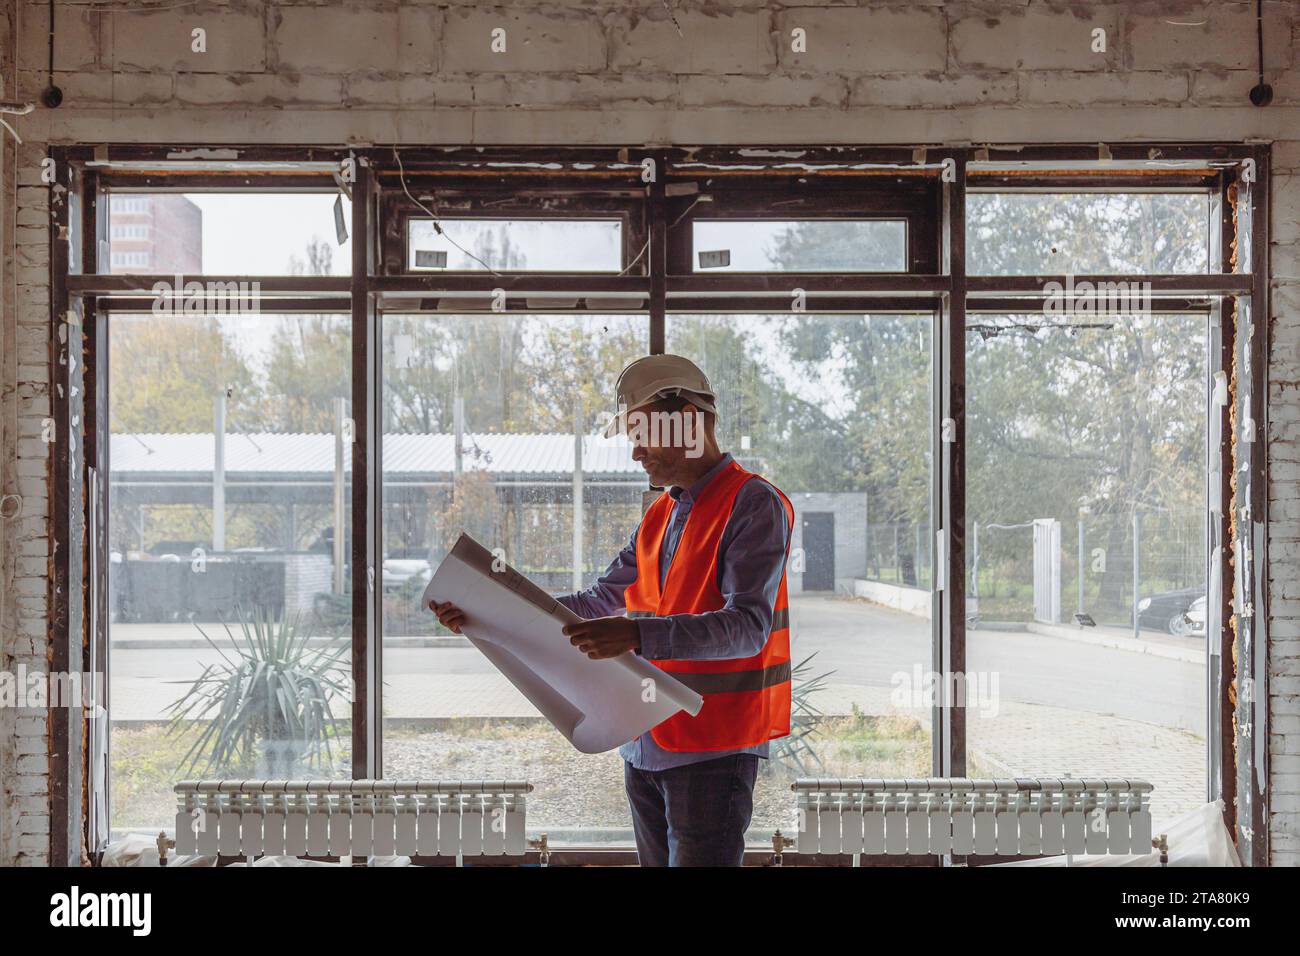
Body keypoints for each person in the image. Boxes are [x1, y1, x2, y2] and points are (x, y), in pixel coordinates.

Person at [430, 353, 794, 866]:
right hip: (644, 741)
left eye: (642, 436)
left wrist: (637, 635)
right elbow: (597, 601)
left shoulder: (753, 503)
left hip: (713, 750)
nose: (636, 454)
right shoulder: (660, 516)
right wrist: (487, 611)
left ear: (689, 421)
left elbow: (748, 628)